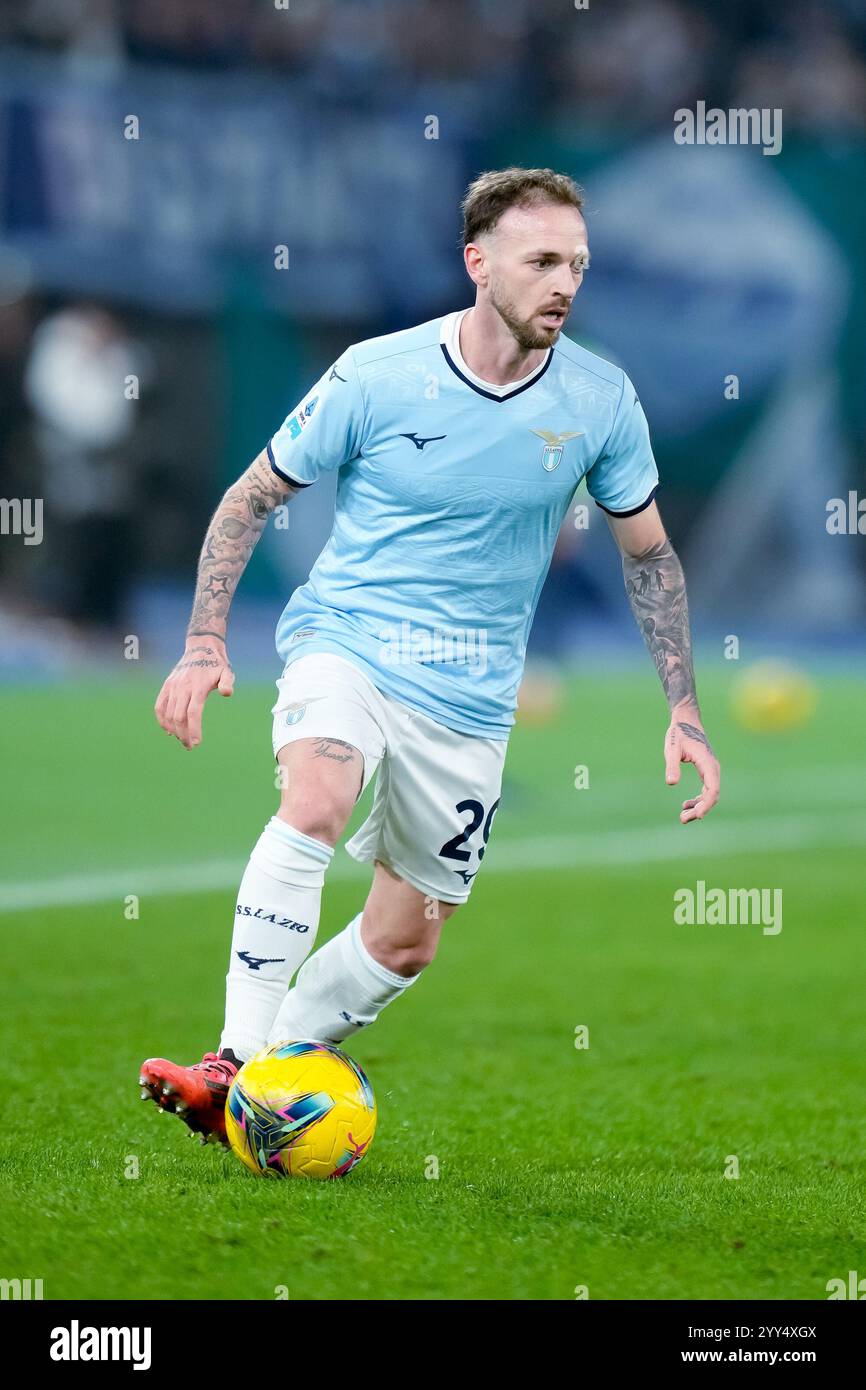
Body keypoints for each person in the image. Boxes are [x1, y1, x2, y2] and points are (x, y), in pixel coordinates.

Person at [141, 167, 720, 1143]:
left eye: (577, 265)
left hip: (470, 700)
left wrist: (684, 707)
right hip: (350, 643)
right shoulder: (375, 374)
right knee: (315, 796)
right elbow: (251, 496)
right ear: (477, 262)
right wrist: (203, 642)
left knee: (405, 941)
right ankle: (231, 1063)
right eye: (541, 260)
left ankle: (262, 1074)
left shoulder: (600, 398)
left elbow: (649, 556)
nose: (564, 284)